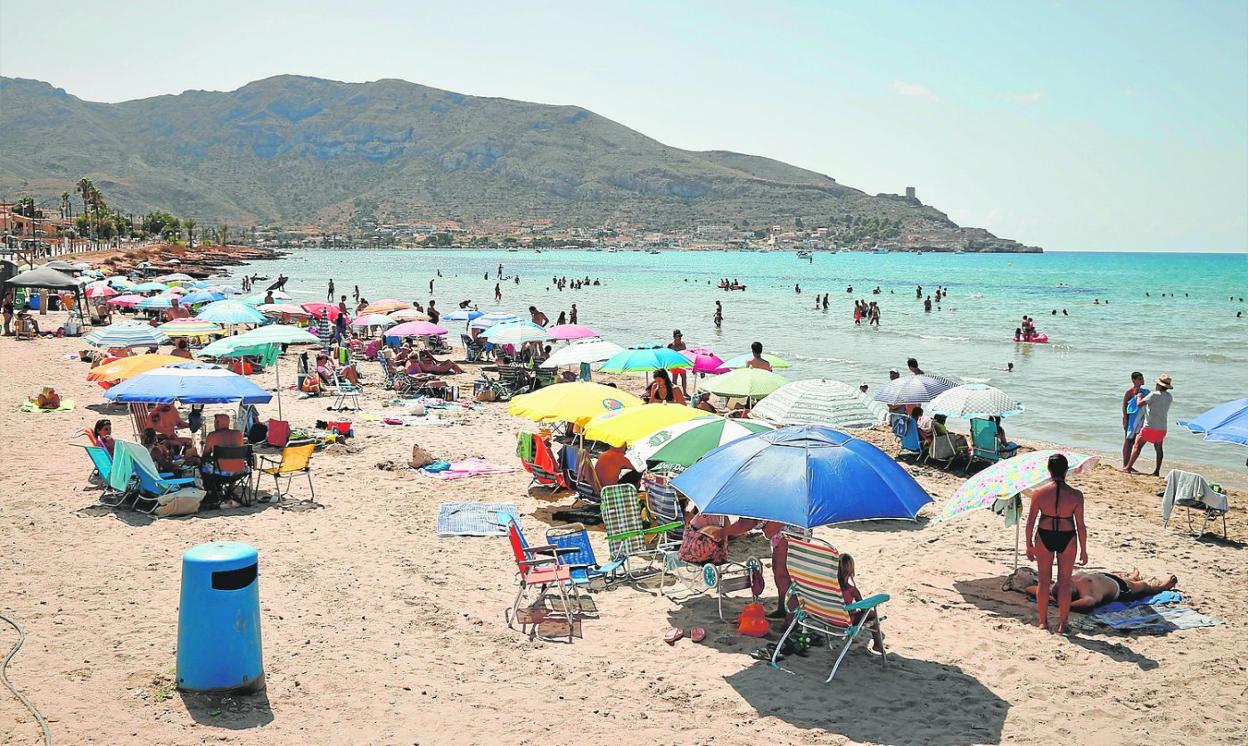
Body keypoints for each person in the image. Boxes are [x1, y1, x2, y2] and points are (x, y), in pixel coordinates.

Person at [1025, 453, 1088, 632]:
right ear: (1066, 471)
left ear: (1049, 470)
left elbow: (1030, 522)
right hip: (1067, 537)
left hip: (1044, 536)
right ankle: (1062, 624)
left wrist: (1028, 544)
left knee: (1043, 582)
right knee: (1065, 582)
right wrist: (1084, 550)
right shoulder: (1076, 496)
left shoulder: (1039, 493)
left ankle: (1043, 622)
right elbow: (1081, 526)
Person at [1026, 570, 1177, 611]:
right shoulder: (1087, 593)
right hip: (1120, 589)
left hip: (1104, 577)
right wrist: (1065, 605)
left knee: (1123, 577)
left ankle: (1132, 576)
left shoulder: (1060, 587)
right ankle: (1164, 586)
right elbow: (1088, 602)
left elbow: (1030, 589)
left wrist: (1052, 598)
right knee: (1143, 587)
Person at [1125, 374, 1174, 476]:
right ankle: (1157, 471)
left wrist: (1139, 397)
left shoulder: (1153, 394)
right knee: (1159, 449)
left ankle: (1128, 467)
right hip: (1162, 428)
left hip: (1150, 427)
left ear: (1159, 385)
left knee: (1137, 446)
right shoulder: (1169, 397)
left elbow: (1140, 404)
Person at [838, 553, 886, 651]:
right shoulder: (852, 590)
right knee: (872, 614)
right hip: (845, 622)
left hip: (829, 618)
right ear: (851, 572)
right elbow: (864, 609)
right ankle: (878, 644)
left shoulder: (828, 587)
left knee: (849, 610)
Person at [1120, 371, 1148, 467]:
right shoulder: (1130, 392)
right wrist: (1125, 419)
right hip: (1130, 419)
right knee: (1128, 441)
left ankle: (1129, 465)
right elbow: (1124, 406)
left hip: (1140, 420)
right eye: (1139, 379)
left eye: (1142, 378)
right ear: (1134, 380)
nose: (1142, 380)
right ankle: (1125, 464)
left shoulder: (1145, 391)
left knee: (1133, 442)